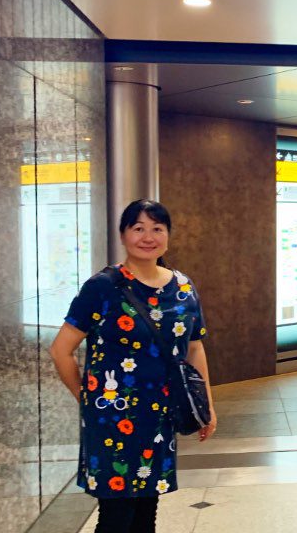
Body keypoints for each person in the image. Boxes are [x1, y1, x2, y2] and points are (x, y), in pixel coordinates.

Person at [50, 199, 217, 533]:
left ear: (168, 235)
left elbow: (195, 348)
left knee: (146, 510)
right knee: (116, 516)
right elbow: (60, 351)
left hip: (160, 416)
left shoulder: (183, 288)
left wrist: (207, 405)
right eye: (138, 228)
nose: (148, 236)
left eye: (157, 228)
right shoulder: (102, 287)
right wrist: (87, 398)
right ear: (124, 235)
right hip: (113, 420)